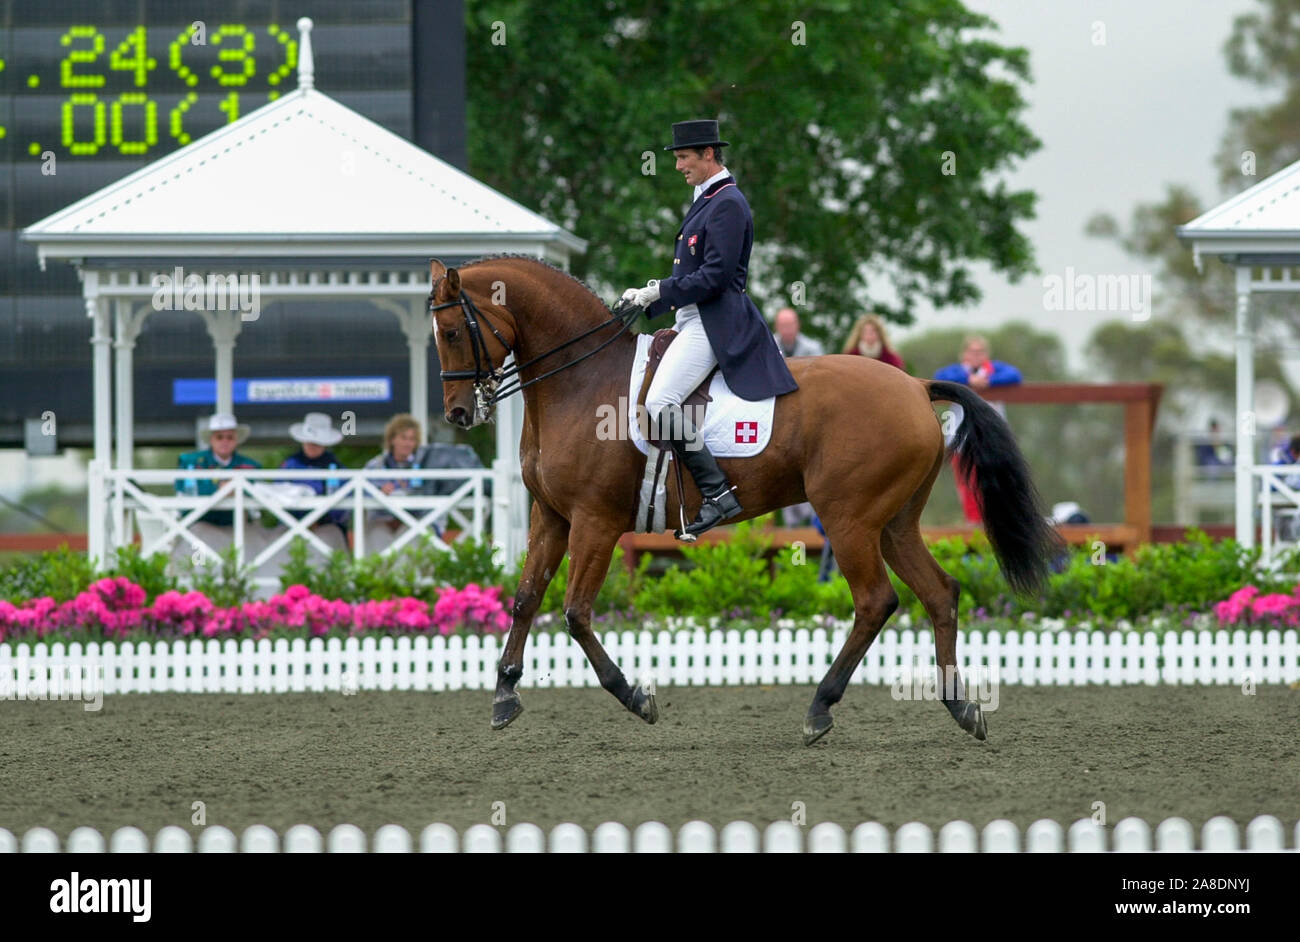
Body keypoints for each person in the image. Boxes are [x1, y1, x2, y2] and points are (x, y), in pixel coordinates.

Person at [620, 118, 798, 541]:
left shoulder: (728, 203)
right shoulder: (708, 199)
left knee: (660, 405)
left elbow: (716, 276)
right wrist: (652, 299)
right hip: (693, 318)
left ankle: (717, 492)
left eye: (684, 158)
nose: (679, 165)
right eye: (678, 158)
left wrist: (657, 290)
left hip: (715, 323)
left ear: (708, 155)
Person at [933, 336, 1021, 523]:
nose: (976, 356)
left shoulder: (995, 370)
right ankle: (973, 527)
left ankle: (994, 524)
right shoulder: (957, 371)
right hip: (962, 440)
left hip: (993, 439)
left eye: (980, 352)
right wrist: (968, 379)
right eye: (972, 352)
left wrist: (988, 380)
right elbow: (940, 377)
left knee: (995, 486)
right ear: (964, 354)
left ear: (986, 354)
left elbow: (1015, 375)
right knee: (967, 486)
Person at [176, 413, 261, 526]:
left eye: (230, 437)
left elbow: (259, 491)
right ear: (211, 439)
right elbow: (183, 488)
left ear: (236, 440)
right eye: (219, 437)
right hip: (198, 522)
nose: (225, 441)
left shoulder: (250, 465)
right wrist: (220, 488)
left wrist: (234, 489)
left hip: (236, 524)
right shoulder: (191, 462)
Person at [280, 412, 349, 538]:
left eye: (316, 443)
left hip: (326, 524)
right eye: (309, 442)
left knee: (330, 536)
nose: (312, 446)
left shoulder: (335, 466)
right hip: (291, 523)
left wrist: (320, 519)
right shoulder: (290, 464)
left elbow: (343, 500)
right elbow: (278, 492)